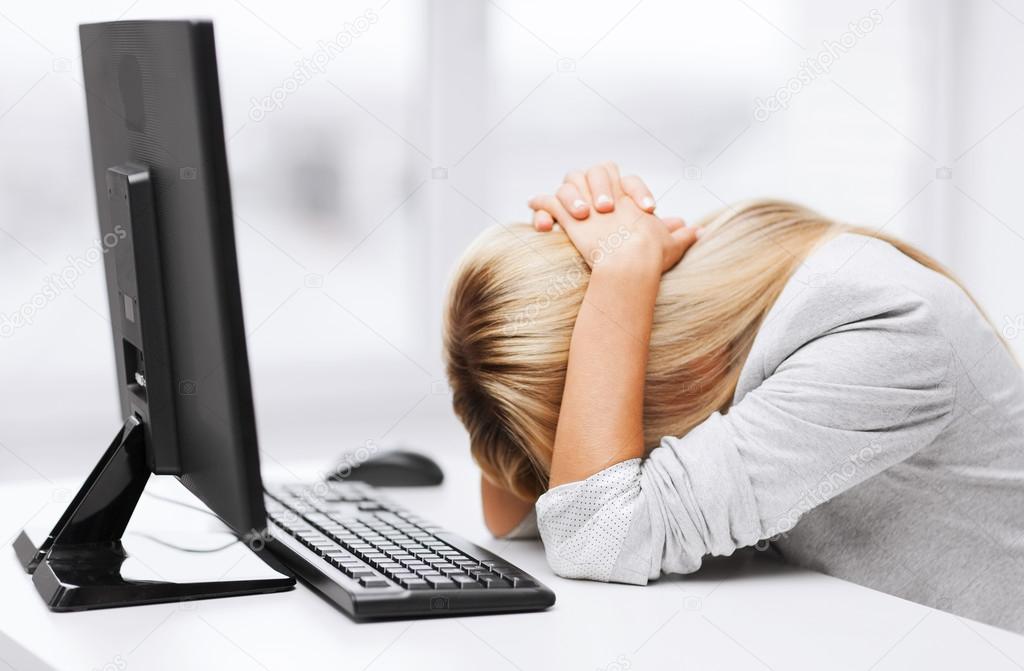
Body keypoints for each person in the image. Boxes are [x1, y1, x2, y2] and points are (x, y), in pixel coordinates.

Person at [442, 162, 1024, 633]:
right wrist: (536, 304)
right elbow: (515, 512)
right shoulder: (731, 291)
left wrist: (618, 280)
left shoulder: (876, 326)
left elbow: (594, 536)